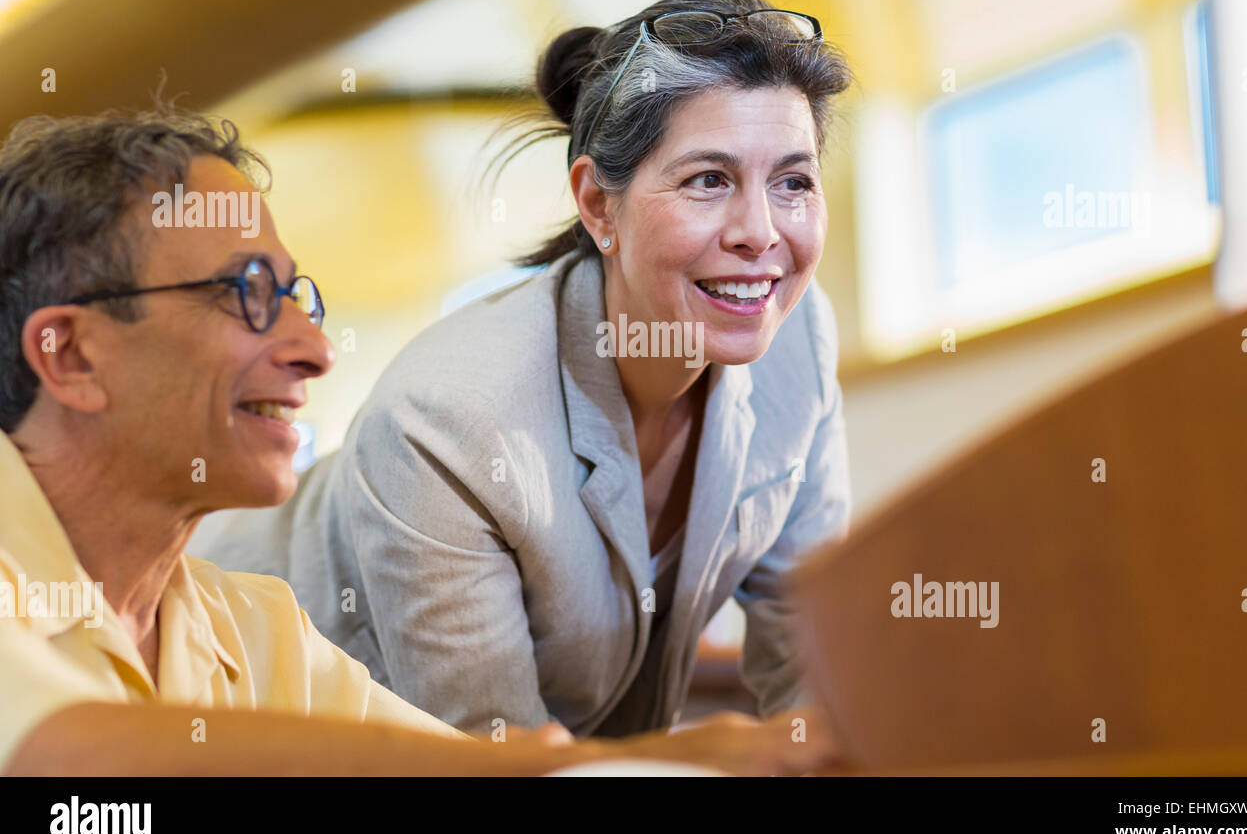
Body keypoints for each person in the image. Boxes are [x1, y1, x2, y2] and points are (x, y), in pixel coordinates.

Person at [0, 106, 838, 776]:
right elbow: (60, 763)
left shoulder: (252, 625)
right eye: (248, 292)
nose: (315, 350)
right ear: (70, 354)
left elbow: (460, 765)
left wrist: (672, 759)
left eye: (301, 297)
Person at [196, 0, 855, 736]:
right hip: (232, 711)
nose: (760, 232)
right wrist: (715, 758)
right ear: (599, 206)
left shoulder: (797, 345)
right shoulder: (450, 417)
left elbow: (814, 652)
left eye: (793, 182)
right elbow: (495, 755)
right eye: (709, 180)